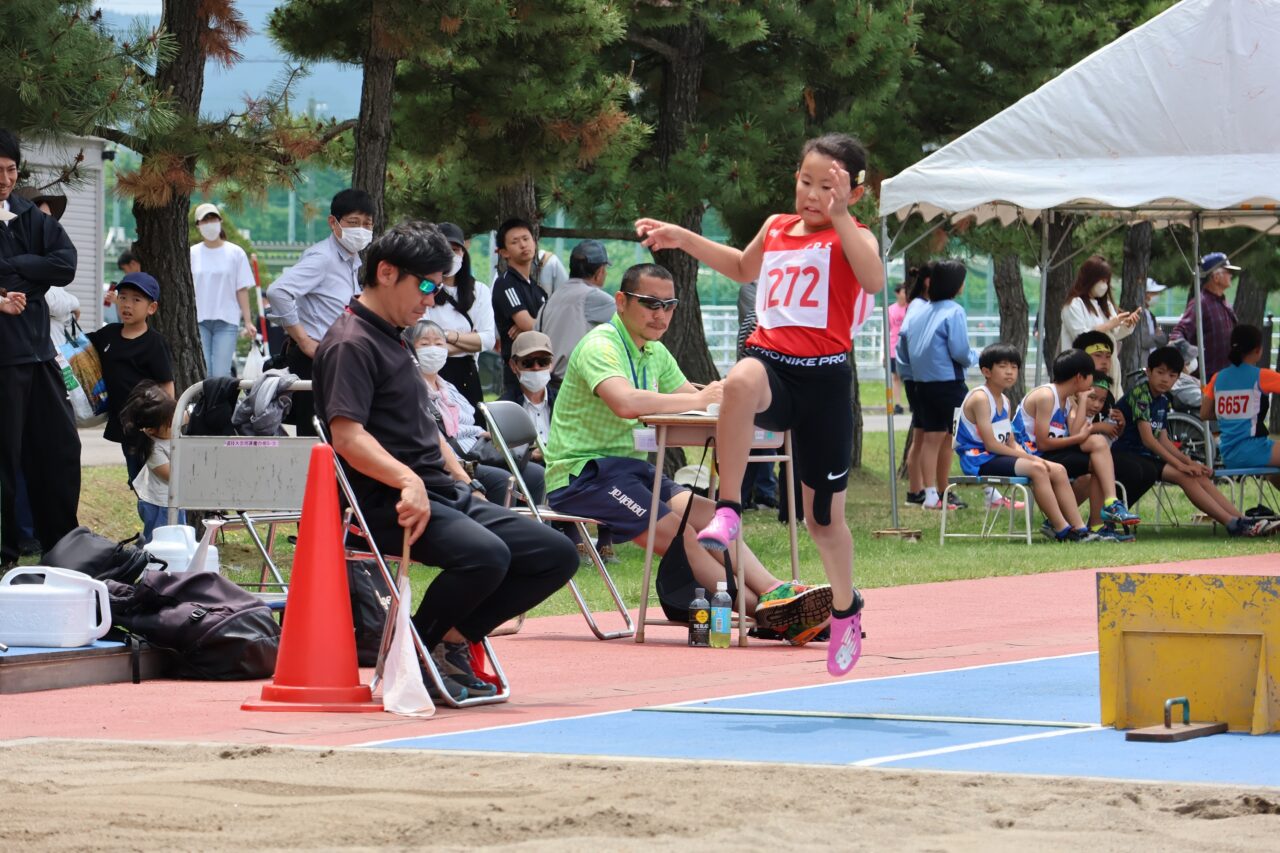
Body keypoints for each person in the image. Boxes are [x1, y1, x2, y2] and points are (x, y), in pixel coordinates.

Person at [634, 134, 880, 674]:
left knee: (823, 521)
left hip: (825, 383)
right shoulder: (776, 228)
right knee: (742, 377)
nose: (812, 195)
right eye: (805, 181)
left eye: (828, 187)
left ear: (854, 194)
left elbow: (874, 279)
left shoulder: (852, 236)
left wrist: (840, 218)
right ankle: (728, 508)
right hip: (774, 369)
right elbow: (744, 268)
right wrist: (682, 237)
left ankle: (846, 606)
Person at [313, 221, 579, 702]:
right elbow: (347, 437)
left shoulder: (394, 335)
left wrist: (460, 474)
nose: (432, 299)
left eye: (440, 286)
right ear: (387, 272)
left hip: (441, 491)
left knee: (556, 554)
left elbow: (420, 425)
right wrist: (407, 480)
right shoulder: (351, 342)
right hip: (385, 501)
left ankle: (448, 642)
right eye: (428, 285)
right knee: (487, 556)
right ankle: (413, 647)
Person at [543, 262, 829, 641]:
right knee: (685, 538)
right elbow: (626, 403)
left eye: (670, 305)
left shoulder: (654, 351)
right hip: (583, 476)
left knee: (714, 517)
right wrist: (701, 396)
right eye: (650, 304)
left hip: (631, 471)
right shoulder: (601, 345)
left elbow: (690, 398)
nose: (661, 314)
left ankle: (777, 593)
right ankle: (769, 616)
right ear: (621, 301)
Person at [0, 127, 81, 567]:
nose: (6, 179)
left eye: (12, 169)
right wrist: (35, 270)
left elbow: (65, 264)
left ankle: (62, 544)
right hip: (4, 359)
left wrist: (14, 267)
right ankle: (7, 550)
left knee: (61, 448)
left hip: (39, 353)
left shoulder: (29, 215)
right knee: (6, 460)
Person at [1114, 346, 1276, 536]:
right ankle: (1232, 524)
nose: (1165, 379)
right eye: (1160, 373)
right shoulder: (1140, 394)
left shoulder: (1163, 400)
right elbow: (1149, 440)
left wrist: (1191, 463)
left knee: (1198, 475)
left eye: (1172, 375)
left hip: (1149, 457)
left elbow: (1163, 439)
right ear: (1148, 371)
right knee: (1185, 476)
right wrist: (1181, 466)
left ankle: (1243, 520)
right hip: (1129, 454)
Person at [953, 344, 1092, 541]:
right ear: (986, 371)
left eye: (1014, 366)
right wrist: (1029, 457)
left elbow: (1009, 440)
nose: (1010, 371)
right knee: (1038, 469)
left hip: (996, 456)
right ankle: (1062, 530)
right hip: (978, 460)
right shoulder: (980, 398)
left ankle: (1079, 528)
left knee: (1058, 469)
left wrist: (1030, 457)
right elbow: (991, 444)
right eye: (1002, 366)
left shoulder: (1004, 400)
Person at [266, 189, 375, 435]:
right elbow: (278, 292)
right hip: (314, 360)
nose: (361, 230)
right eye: (353, 223)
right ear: (333, 222)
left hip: (339, 360)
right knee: (316, 440)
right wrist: (303, 340)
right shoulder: (322, 258)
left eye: (367, 224)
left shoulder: (351, 261)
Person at [408, 319, 546, 506]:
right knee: (503, 480)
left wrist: (486, 435)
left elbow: (469, 425)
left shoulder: (450, 389)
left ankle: (535, 530)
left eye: (439, 343)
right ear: (410, 350)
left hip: (475, 451)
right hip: (453, 460)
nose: (433, 349)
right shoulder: (411, 389)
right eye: (424, 344)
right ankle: (505, 531)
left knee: (536, 474)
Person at [1013, 348, 1140, 538]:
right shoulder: (1047, 396)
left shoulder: (1067, 400)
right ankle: (1108, 506)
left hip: (1051, 454)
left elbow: (1075, 431)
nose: (1092, 381)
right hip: (1033, 456)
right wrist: (1080, 437)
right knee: (1096, 446)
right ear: (1080, 377)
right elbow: (1043, 443)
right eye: (1090, 376)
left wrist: (1081, 403)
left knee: (1097, 460)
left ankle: (1100, 523)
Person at [897, 259, 975, 510]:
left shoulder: (920, 310)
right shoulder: (954, 311)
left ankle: (930, 493)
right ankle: (944, 490)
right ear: (956, 284)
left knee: (930, 438)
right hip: (949, 383)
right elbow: (960, 351)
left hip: (922, 384)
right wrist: (975, 358)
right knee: (951, 439)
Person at [86, 271, 175, 485]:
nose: (128, 305)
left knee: (157, 483)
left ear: (151, 308)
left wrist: (164, 425)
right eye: (123, 297)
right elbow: (81, 348)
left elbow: (167, 385)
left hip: (149, 428)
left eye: (136, 300)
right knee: (136, 479)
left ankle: (165, 517)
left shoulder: (154, 343)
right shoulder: (108, 334)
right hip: (125, 426)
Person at [422, 223, 495, 408]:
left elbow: (487, 340)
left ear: (464, 252)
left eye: (456, 250)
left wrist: (445, 336)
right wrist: (469, 343)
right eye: (445, 249)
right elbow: (422, 343)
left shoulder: (479, 290)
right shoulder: (425, 289)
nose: (451, 255)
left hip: (468, 376)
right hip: (432, 375)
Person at [1201, 324, 1280, 478]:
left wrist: (1233, 414)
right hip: (1254, 449)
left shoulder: (1218, 377)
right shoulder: (1261, 376)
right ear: (1258, 350)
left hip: (1229, 454)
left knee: (1274, 475)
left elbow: (1204, 413)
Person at [536, 239, 615, 388]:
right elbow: (631, 323)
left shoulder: (550, 300)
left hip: (545, 386)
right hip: (574, 386)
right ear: (600, 272)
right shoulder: (595, 297)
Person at [190, 202, 256, 377]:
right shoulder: (192, 253)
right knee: (204, 373)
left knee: (221, 373)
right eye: (204, 221)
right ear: (198, 226)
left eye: (212, 219)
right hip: (199, 320)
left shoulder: (236, 253)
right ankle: (204, 405)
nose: (209, 224)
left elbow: (242, 289)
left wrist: (248, 321)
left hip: (227, 319)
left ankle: (219, 405)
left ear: (219, 221)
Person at [1058, 255, 1136, 391]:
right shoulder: (1074, 304)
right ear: (1090, 279)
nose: (1104, 285)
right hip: (1081, 371)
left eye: (1106, 281)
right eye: (1101, 280)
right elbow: (1081, 337)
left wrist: (1127, 324)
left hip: (1108, 369)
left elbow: (1114, 334)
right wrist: (1110, 324)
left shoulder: (1106, 306)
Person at [120, 381, 184, 541]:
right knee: (159, 542)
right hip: (160, 505)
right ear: (151, 430)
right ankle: (154, 563)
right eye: (171, 423)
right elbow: (172, 475)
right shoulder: (154, 449)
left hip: (173, 501)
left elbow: (186, 416)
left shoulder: (167, 426)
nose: (176, 424)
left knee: (178, 539)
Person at [492, 218, 548, 396]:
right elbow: (527, 323)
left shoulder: (538, 289)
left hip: (542, 368)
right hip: (520, 368)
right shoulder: (506, 283)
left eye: (526, 239)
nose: (523, 245)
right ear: (504, 252)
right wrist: (528, 325)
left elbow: (533, 325)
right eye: (515, 242)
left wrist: (530, 327)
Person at [1171, 252, 1239, 379]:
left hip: (1226, 377)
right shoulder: (1200, 303)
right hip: (1208, 380)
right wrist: (1187, 357)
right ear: (1216, 277)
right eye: (1227, 272)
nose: (1231, 275)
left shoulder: (1224, 303)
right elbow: (1178, 334)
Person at [1131, 277, 1169, 364]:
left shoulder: (1149, 314)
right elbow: (1144, 340)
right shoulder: (1139, 313)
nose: (1157, 296)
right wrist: (1162, 337)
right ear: (1143, 294)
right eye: (1153, 293)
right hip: (1140, 363)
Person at [887, 281, 908, 414]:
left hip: (908, 348)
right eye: (903, 291)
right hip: (894, 347)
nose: (905, 294)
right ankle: (898, 404)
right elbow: (888, 329)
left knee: (909, 377)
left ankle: (912, 403)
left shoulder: (910, 308)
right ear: (897, 293)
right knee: (896, 377)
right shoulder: (891, 309)